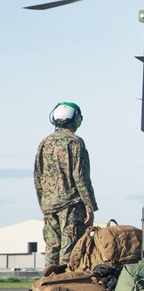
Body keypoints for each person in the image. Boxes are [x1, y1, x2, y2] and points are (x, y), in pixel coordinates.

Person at [34, 102, 98, 267]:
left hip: (49, 205)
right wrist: (90, 207)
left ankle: (47, 286)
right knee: (70, 249)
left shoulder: (45, 143)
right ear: (75, 119)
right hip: (71, 205)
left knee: (52, 248)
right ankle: (66, 284)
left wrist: (44, 203)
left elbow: (38, 176)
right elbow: (81, 177)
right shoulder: (75, 142)